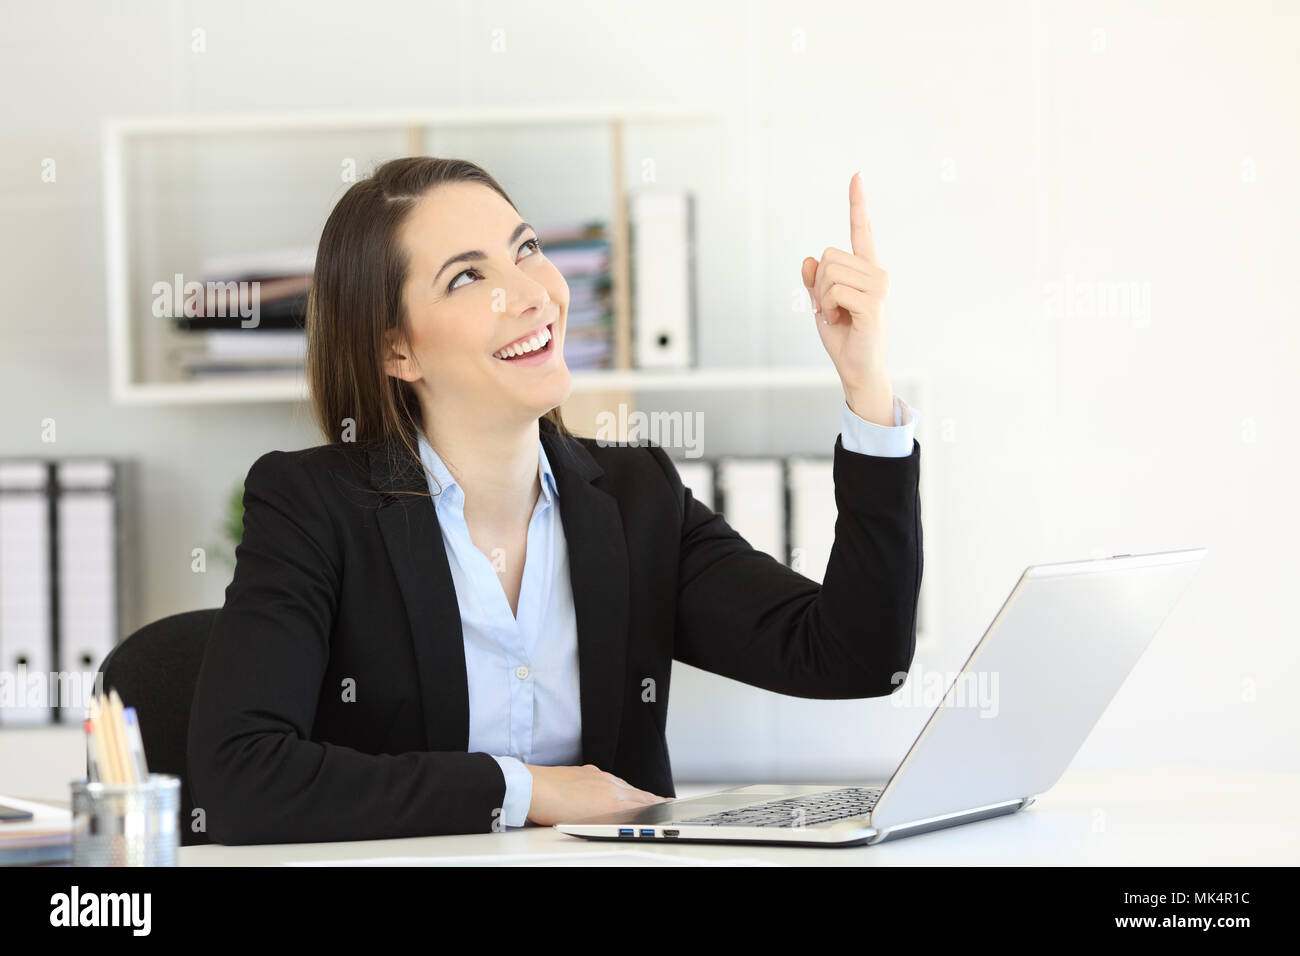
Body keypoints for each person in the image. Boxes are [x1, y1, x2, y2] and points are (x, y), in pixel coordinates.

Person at [186, 156, 922, 845]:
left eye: (527, 248)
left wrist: (867, 391)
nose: (534, 294)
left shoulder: (636, 498)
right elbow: (238, 778)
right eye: (467, 277)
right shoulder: (315, 505)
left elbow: (855, 657)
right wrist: (523, 790)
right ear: (395, 351)